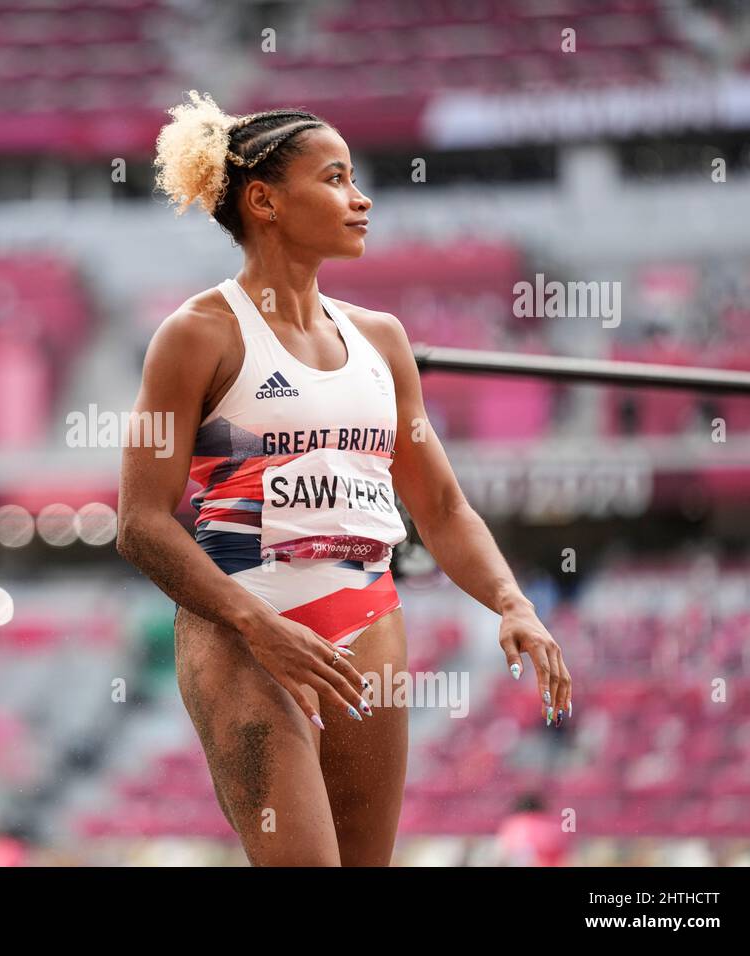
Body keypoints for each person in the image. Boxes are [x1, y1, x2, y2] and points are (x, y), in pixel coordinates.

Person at [116, 91, 573, 866]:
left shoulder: (382, 340)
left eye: (354, 178)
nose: (360, 199)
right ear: (264, 200)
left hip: (368, 623)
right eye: (335, 179)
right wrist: (258, 627)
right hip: (244, 631)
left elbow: (441, 503)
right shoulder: (197, 335)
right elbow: (141, 524)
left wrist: (512, 601)